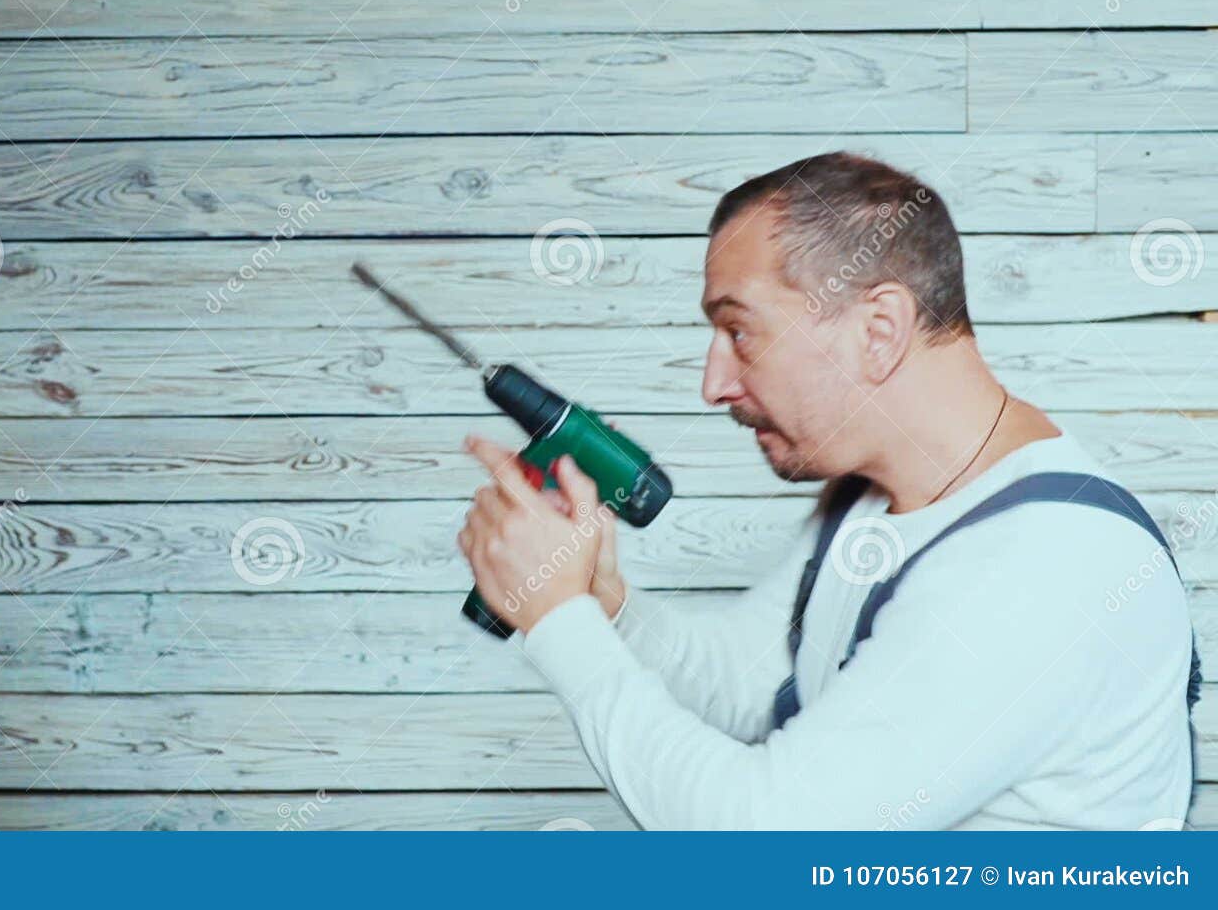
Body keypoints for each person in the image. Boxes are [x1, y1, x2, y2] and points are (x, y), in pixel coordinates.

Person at [456, 152, 1199, 829]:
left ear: (879, 328)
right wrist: (601, 601)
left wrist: (558, 621)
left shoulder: (1042, 567)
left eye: (739, 332)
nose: (713, 385)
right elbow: (753, 686)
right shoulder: (872, 494)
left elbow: (765, 845)